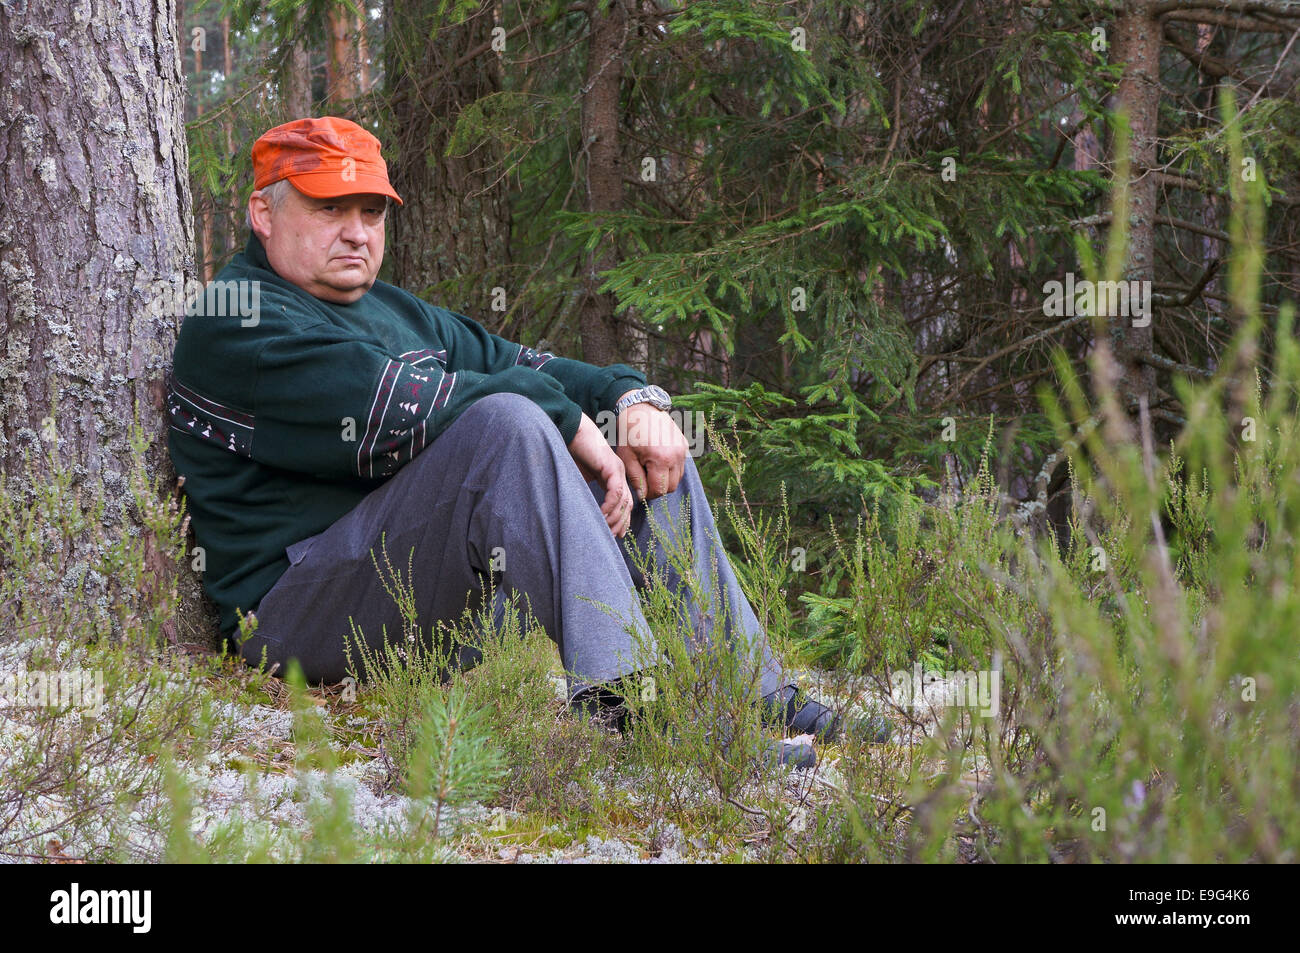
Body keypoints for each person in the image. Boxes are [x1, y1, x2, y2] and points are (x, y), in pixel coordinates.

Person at [168, 117, 881, 769]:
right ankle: (633, 709)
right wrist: (569, 423)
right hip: (295, 615)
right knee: (505, 425)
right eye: (329, 208)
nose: (357, 232)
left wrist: (629, 399)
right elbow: (420, 406)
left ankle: (747, 686)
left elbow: (524, 363)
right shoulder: (238, 321)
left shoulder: (385, 305)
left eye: (371, 210)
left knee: (633, 432)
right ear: (265, 211)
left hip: (413, 595)